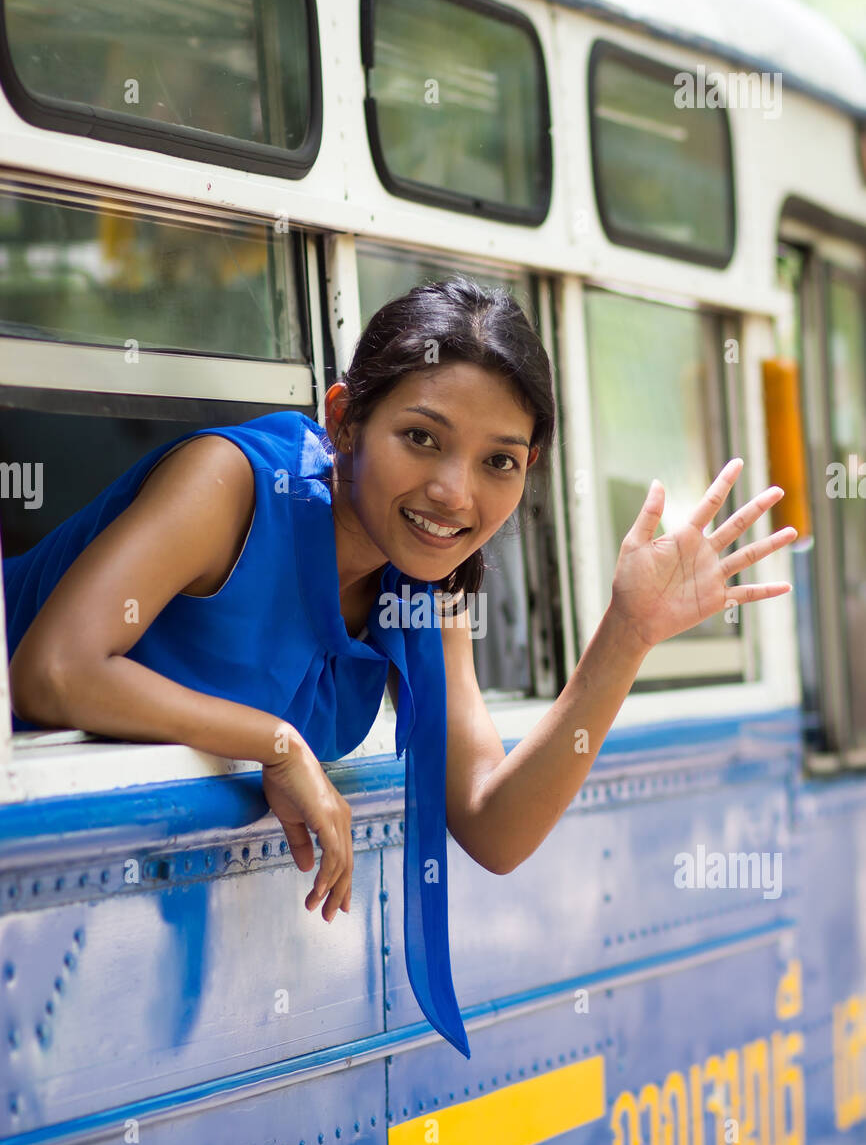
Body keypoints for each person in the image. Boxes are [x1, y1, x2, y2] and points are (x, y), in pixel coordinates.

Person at [2, 277, 797, 1058]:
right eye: (422, 438)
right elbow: (54, 670)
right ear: (344, 419)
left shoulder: (427, 583)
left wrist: (626, 635)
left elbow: (492, 822)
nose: (454, 492)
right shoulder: (235, 485)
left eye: (500, 462)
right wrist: (277, 743)